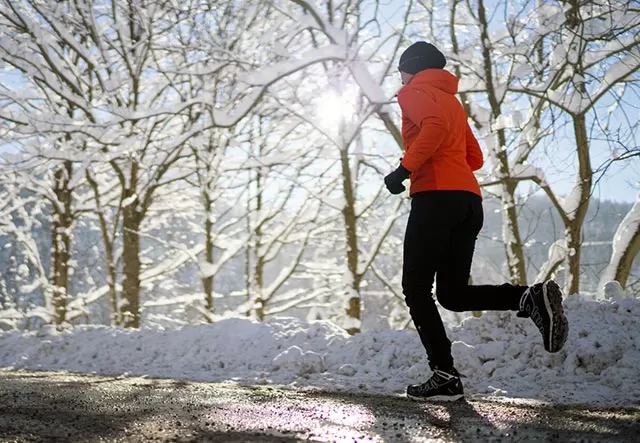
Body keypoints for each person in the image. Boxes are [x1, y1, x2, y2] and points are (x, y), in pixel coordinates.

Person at [384, 41, 569, 401]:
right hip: (468, 201)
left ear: (413, 67)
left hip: (436, 199)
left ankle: (444, 375)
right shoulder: (451, 101)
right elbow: (475, 157)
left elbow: (434, 129)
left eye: (401, 69)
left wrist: (404, 169)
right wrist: (442, 166)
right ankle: (528, 298)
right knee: (452, 294)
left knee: (416, 288)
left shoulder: (413, 93)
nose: (400, 77)